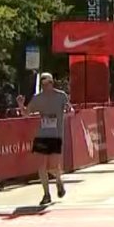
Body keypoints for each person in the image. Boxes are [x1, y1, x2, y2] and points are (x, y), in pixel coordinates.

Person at [24, 73, 73, 206]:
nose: (46, 86)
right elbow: (26, 113)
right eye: (43, 84)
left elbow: (70, 108)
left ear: (52, 83)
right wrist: (20, 105)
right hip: (42, 135)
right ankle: (46, 194)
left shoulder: (61, 96)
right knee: (41, 166)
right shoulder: (37, 98)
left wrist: (69, 110)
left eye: (48, 83)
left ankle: (58, 181)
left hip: (56, 135)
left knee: (53, 167)